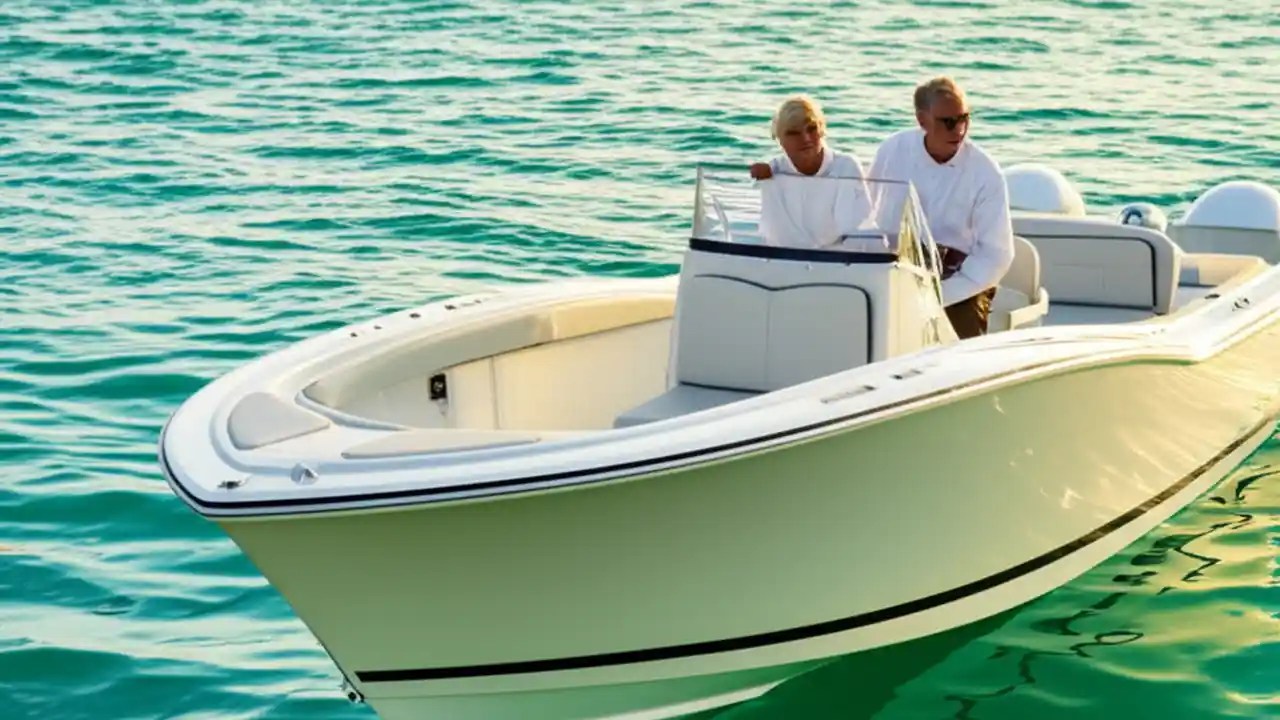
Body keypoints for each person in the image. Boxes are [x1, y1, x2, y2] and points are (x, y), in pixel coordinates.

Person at [868, 76, 1014, 338]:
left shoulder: (985, 172)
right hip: (898, 266)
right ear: (922, 120)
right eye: (948, 122)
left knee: (958, 331)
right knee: (860, 310)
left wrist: (941, 295)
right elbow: (868, 215)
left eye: (964, 119)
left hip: (961, 277)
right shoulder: (892, 150)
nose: (958, 129)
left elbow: (996, 255)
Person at [749, 95, 866, 180]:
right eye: (794, 132)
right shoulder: (773, 171)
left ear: (822, 129)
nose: (806, 138)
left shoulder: (845, 167)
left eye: (812, 129)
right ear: (780, 139)